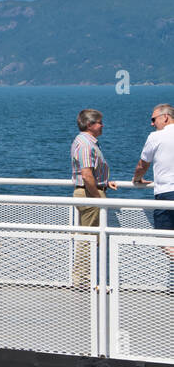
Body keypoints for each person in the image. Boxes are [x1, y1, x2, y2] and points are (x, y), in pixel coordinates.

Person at [71, 109, 117, 288]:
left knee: (90, 237)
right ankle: (83, 280)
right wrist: (98, 197)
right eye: (99, 122)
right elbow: (87, 175)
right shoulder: (86, 144)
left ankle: (83, 279)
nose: (102, 125)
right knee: (88, 238)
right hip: (89, 194)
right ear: (89, 125)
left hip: (90, 191)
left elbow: (92, 174)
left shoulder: (86, 142)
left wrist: (105, 182)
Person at [132, 103, 174, 286]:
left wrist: (137, 178)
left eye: (153, 119)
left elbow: (143, 164)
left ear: (165, 117)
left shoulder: (156, 136)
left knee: (162, 238)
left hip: (167, 193)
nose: (151, 124)